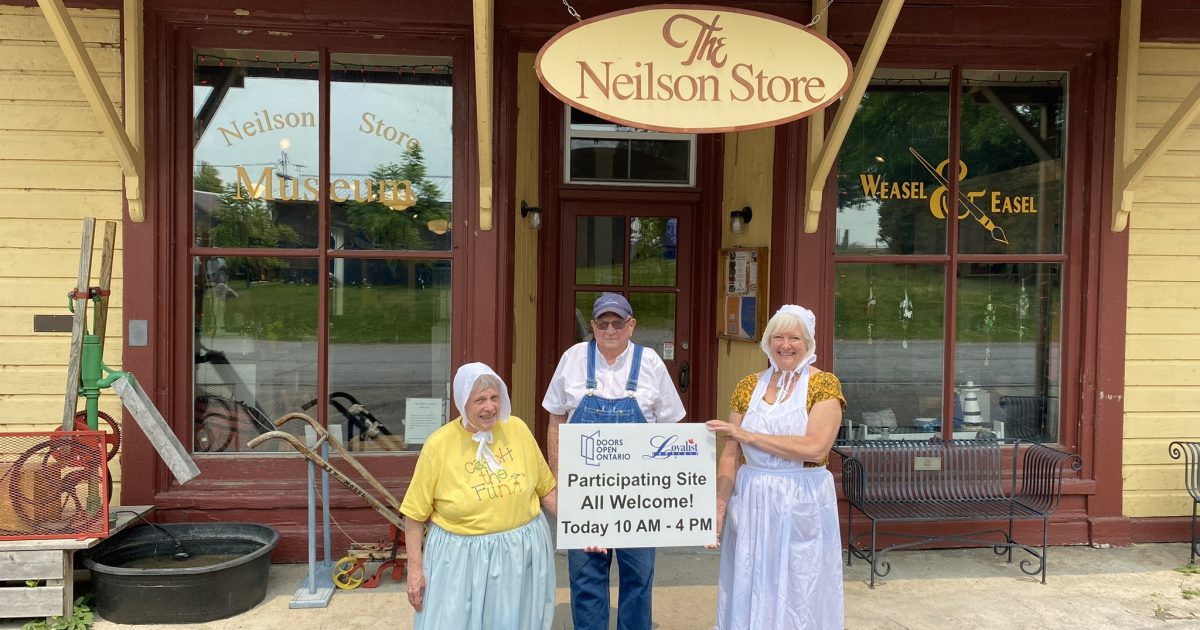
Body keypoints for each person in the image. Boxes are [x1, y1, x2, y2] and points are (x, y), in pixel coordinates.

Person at [543, 292, 686, 630]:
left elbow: (672, 430)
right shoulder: (573, 358)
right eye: (602, 323)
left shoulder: (650, 363)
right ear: (592, 326)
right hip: (585, 494)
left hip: (638, 496)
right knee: (586, 579)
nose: (610, 330)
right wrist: (559, 481)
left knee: (638, 578)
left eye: (617, 322)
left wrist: (667, 489)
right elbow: (556, 421)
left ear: (631, 325)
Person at [706, 305, 846, 630]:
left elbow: (815, 447)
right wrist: (719, 506)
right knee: (748, 582)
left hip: (802, 496)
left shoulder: (824, 386)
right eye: (778, 337)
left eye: (794, 337)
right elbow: (731, 452)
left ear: (808, 342)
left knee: (801, 588)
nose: (785, 345)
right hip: (753, 497)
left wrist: (747, 435)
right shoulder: (747, 386)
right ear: (768, 341)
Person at [400, 362, 558, 630]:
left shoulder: (517, 430)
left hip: (520, 557)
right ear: (463, 402)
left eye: (495, 398)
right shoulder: (439, 445)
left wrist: (584, 528)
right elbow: (414, 515)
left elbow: (547, 491)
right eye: (480, 400)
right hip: (462, 561)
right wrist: (415, 572)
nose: (490, 407)